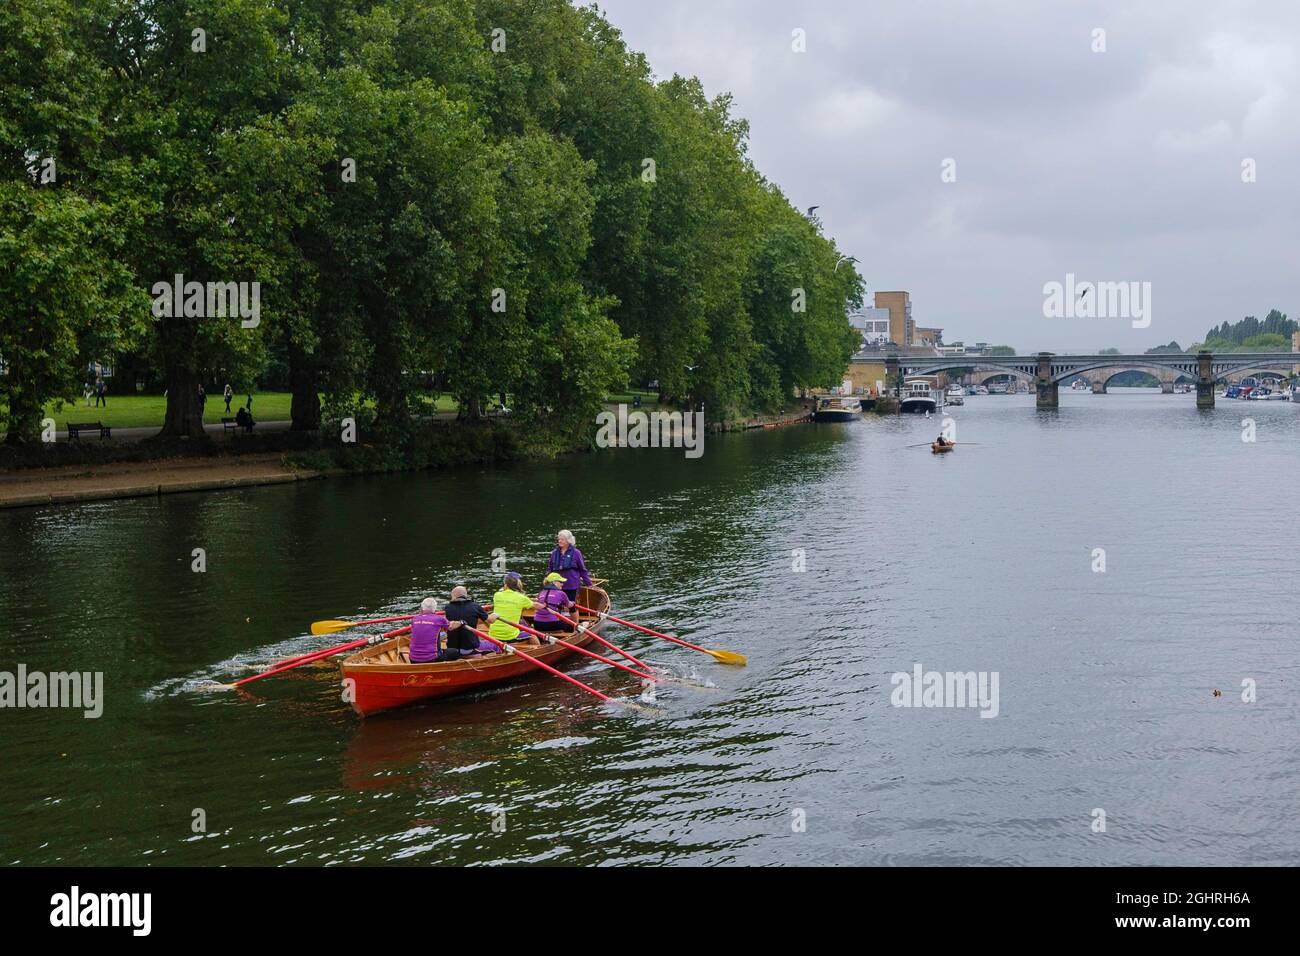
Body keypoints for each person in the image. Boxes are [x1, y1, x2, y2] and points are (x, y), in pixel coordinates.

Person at [440, 586, 498, 660]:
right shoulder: (475, 606)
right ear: (465, 595)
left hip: (452, 648)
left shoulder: (447, 608)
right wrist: (495, 615)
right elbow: (490, 620)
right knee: (496, 645)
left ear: (453, 597)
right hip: (469, 648)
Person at [488, 572, 543, 646]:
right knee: (531, 632)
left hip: (493, 635)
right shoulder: (521, 598)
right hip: (509, 636)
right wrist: (545, 606)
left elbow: (507, 598)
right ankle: (538, 649)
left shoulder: (497, 595)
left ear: (505, 584)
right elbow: (535, 605)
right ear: (518, 584)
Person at [547, 530, 592, 606]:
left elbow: (582, 570)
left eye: (562, 539)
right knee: (557, 605)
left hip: (571, 584)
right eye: (559, 539)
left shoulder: (576, 553)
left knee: (571, 605)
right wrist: (547, 582)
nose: (559, 541)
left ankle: (572, 617)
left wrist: (589, 584)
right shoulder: (554, 553)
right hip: (557, 585)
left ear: (568, 541)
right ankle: (558, 617)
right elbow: (550, 569)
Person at [409, 598, 451, 664]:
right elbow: (451, 627)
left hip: (413, 659)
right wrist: (461, 622)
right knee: (454, 652)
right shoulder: (440, 619)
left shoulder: (414, 619)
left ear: (422, 607)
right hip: (433, 659)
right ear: (435, 608)